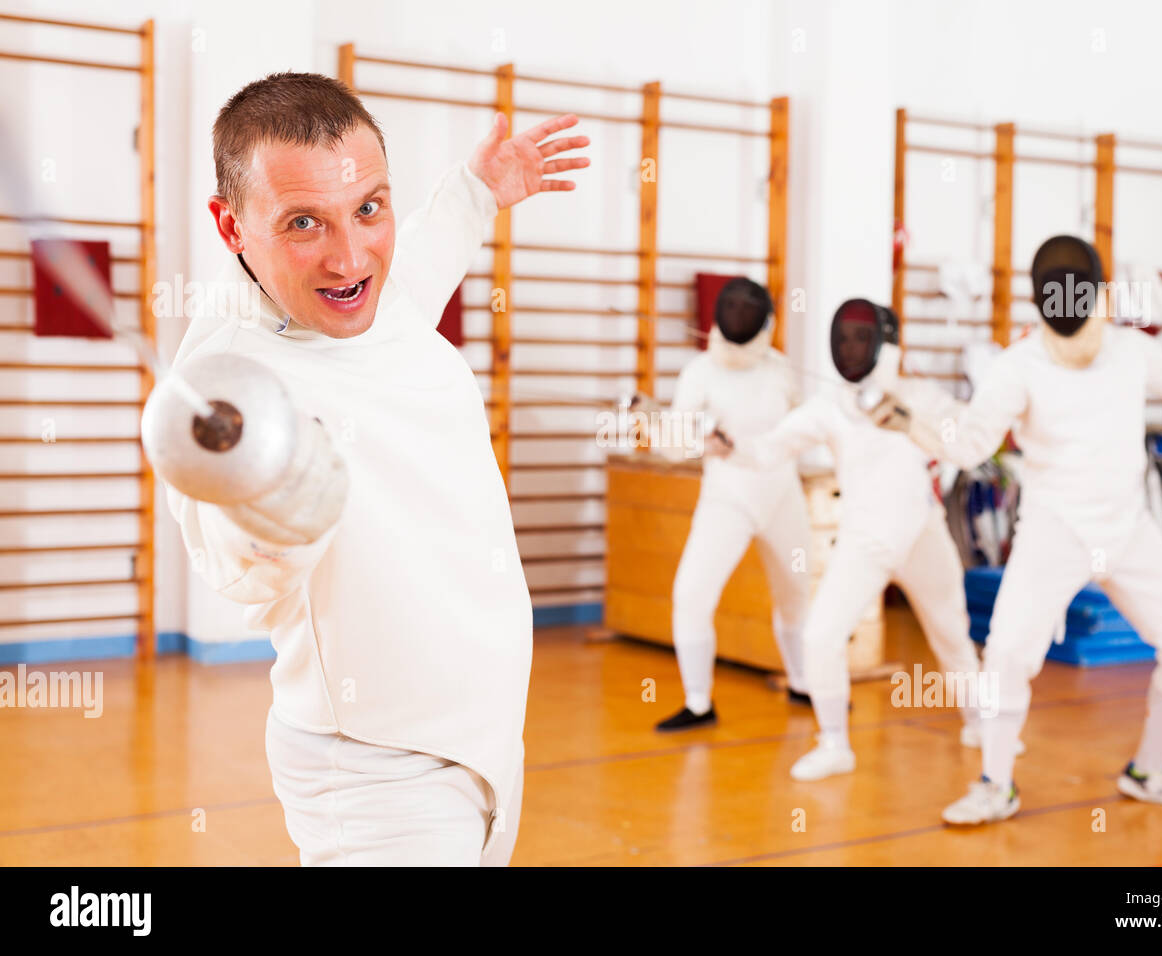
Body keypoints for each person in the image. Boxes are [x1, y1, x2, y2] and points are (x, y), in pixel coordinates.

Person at [142, 73, 589, 864]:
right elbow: (235, 563)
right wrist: (269, 506)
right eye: (303, 223)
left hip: (487, 741)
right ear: (230, 226)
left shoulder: (372, 292)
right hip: (377, 773)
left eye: (369, 208)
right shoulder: (227, 389)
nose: (349, 256)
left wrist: (479, 188)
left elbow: (420, 249)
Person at [875, 235, 1162, 824]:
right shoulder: (1017, 366)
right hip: (1055, 530)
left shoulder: (1129, 351)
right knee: (1004, 655)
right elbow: (973, 444)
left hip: (1127, 527)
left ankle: (1151, 771)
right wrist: (908, 421)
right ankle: (996, 785)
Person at [709, 298, 986, 780]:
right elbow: (771, 448)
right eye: (845, 338)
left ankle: (984, 724)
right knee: (820, 636)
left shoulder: (921, 395)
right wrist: (732, 446)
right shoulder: (830, 407)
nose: (852, 347)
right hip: (865, 541)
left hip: (921, 529)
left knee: (951, 631)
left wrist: (912, 419)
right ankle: (834, 743)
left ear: (886, 344)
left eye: (862, 337)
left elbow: (965, 439)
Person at [652, 278, 813, 731]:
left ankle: (802, 682)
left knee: (796, 594)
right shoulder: (700, 371)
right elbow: (671, 446)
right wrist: (702, 442)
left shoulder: (780, 369)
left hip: (782, 495)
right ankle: (699, 702)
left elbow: (802, 431)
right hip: (727, 499)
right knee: (691, 595)